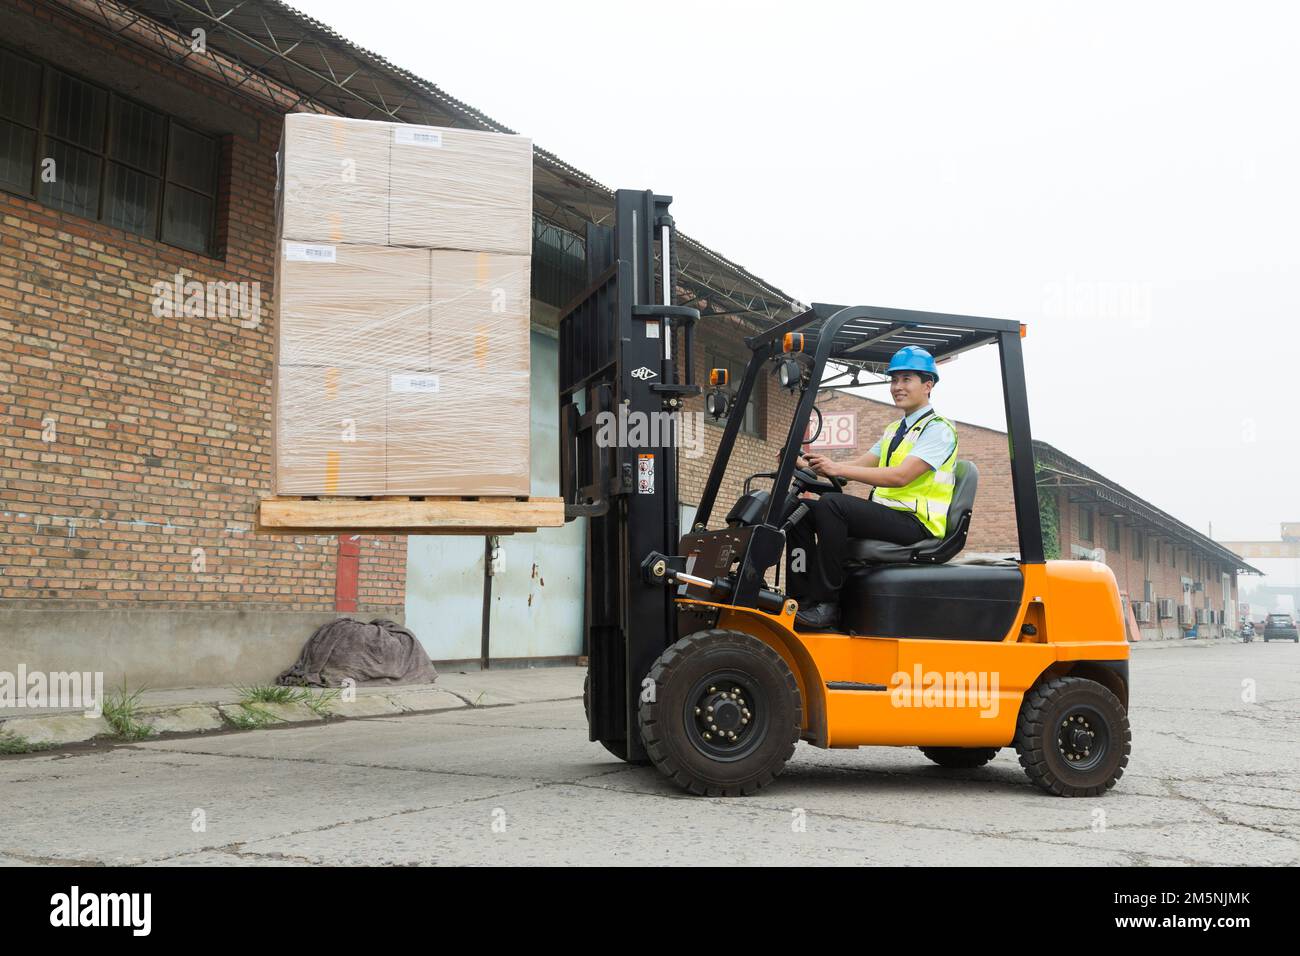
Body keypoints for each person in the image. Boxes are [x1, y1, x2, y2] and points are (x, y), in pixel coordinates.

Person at [784, 346, 958, 629]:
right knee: (802, 510)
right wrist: (807, 464)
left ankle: (827, 604)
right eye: (894, 380)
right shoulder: (895, 430)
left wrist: (837, 469)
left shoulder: (937, 430)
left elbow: (902, 476)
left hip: (918, 524)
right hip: (890, 516)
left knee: (833, 505)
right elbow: (859, 466)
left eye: (906, 379)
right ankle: (801, 599)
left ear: (928, 385)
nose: (897, 387)